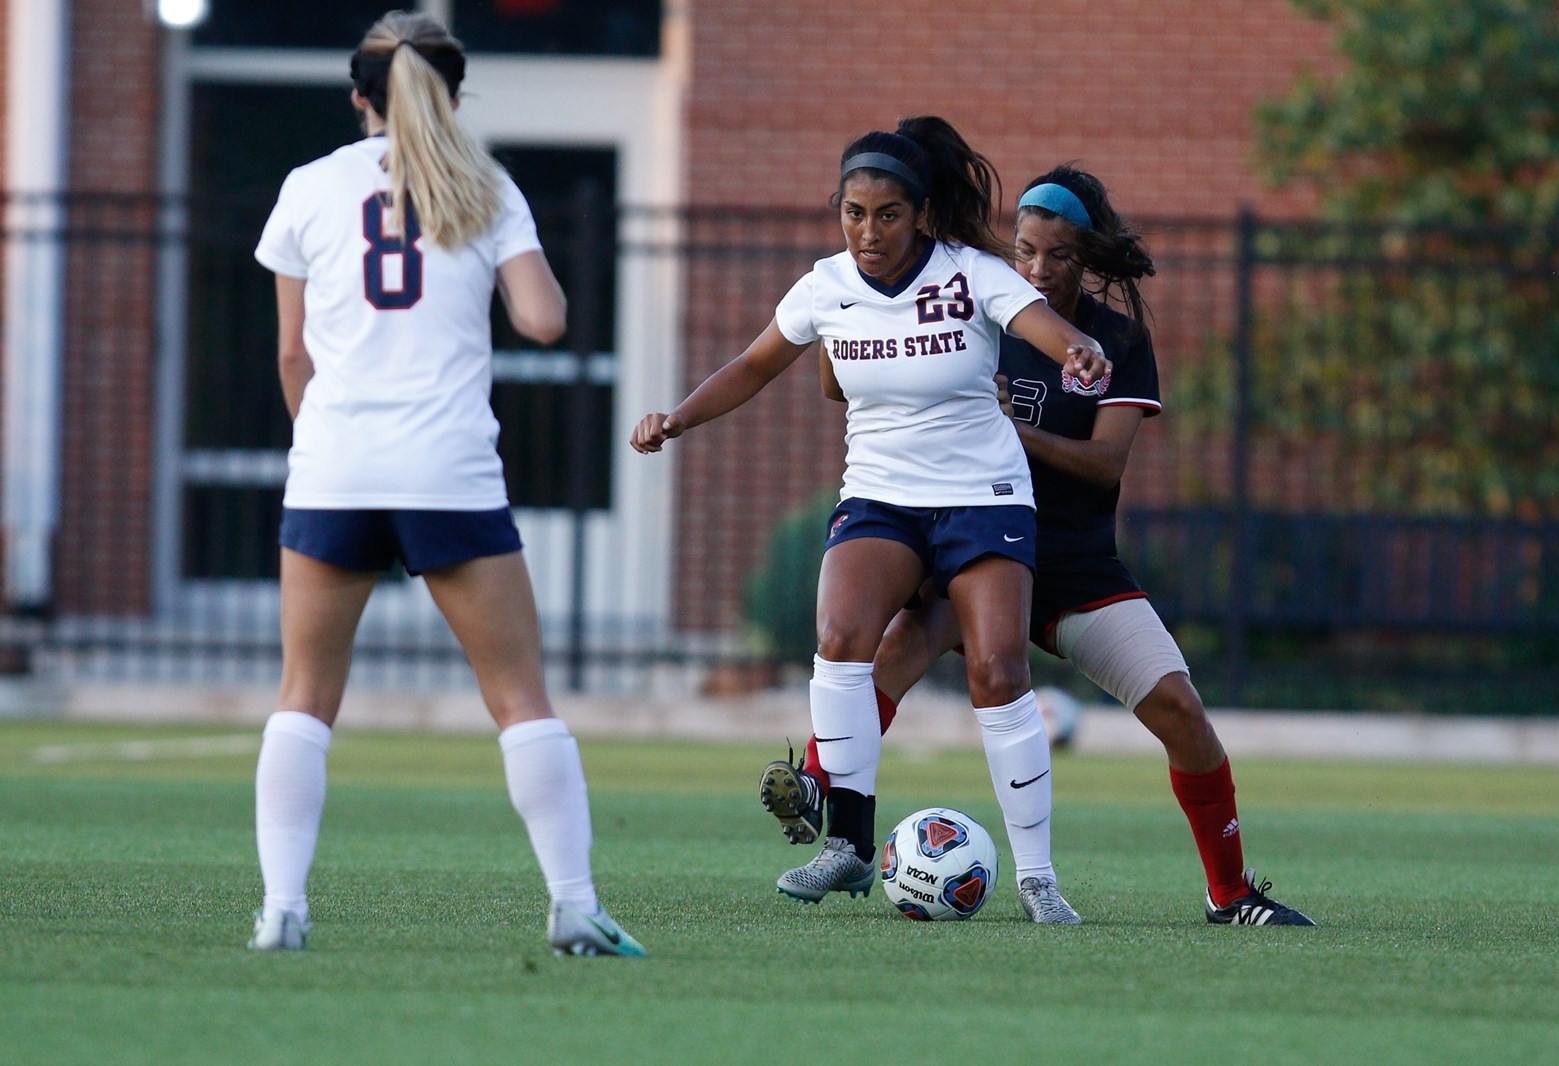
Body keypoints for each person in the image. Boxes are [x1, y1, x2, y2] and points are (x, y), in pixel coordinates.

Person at [759, 164, 1315, 926]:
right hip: (969, 546)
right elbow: (844, 375)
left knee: (1182, 710)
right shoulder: (976, 305)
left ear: (1086, 258)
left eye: (1057, 256)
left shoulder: (1113, 338)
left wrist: (1008, 427)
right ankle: (823, 794)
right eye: (1024, 251)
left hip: (1070, 566)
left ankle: (1230, 893)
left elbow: (1104, 462)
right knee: (880, 657)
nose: (1038, 270)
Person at [633, 117, 1108, 925]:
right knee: (840, 638)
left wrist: (1077, 349)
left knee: (998, 671)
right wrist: (677, 418)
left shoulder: (972, 274)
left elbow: (1041, 325)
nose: (868, 231)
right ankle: (848, 848)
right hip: (881, 496)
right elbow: (753, 365)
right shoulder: (825, 286)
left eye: (887, 214)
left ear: (921, 214)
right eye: (853, 213)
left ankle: (1037, 879)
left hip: (982, 495)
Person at [248, 11, 644, 957]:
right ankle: (574, 905)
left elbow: (292, 354)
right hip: (449, 471)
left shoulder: (310, 186)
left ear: (359, 99)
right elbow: (545, 319)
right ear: (455, 96)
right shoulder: (484, 182)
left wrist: (330, 444)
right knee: (518, 696)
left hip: (335, 466)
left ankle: (283, 913)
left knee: (304, 693)